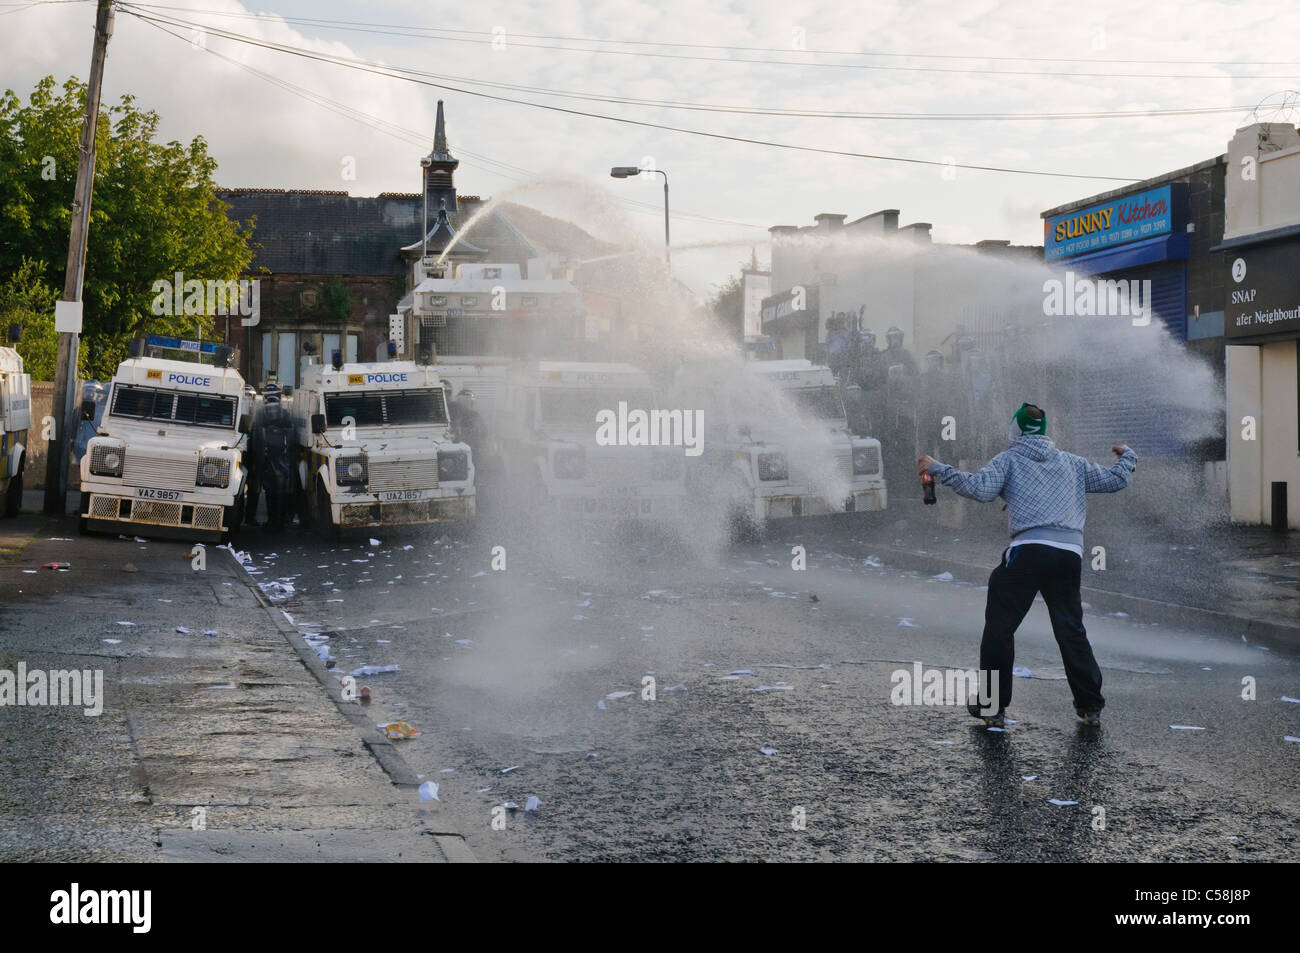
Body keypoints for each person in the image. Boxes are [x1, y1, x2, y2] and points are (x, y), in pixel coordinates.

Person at [916, 403, 1137, 728]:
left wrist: (937, 468)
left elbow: (979, 489)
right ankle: (1090, 706)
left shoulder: (1009, 460)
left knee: (1000, 628)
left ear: (1015, 431)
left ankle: (993, 707)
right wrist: (1128, 454)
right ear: (1045, 431)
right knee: (1070, 629)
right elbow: (1117, 479)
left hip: (1029, 551)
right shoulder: (1072, 463)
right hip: (1068, 555)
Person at [253, 384, 296, 531]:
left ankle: (276, 520)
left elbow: (256, 437)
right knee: (277, 492)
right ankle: (279, 520)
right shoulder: (284, 414)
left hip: (273, 457)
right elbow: (290, 438)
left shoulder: (263, 415)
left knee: (274, 492)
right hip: (277, 458)